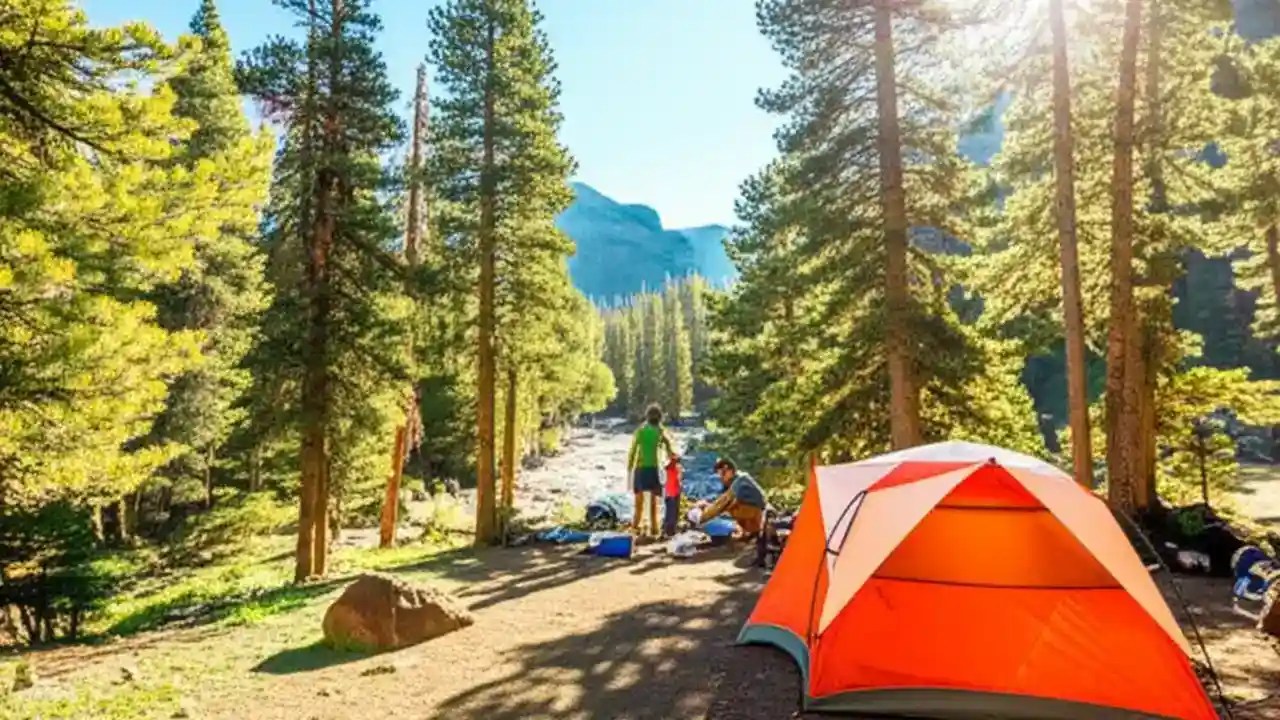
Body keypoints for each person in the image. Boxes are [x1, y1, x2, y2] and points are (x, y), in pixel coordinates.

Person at [700, 458, 770, 564]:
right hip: (754, 509)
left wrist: (704, 516)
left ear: (730, 470)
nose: (721, 477)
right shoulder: (735, 481)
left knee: (731, 507)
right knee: (731, 507)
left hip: (757, 511)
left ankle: (751, 533)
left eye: (723, 474)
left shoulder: (740, 480)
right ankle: (750, 535)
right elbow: (721, 498)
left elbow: (724, 501)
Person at [627, 404, 676, 538]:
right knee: (654, 501)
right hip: (654, 468)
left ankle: (635, 527)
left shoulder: (640, 431)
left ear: (647, 417)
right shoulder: (660, 431)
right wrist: (672, 458)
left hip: (640, 468)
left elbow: (632, 452)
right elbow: (669, 447)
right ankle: (654, 528)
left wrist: (629, 468)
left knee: (639, 502)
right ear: (660, 418)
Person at [662, 456, 683, 538]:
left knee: (669, 514)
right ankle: (670, 532)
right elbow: (679, 480)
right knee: (673, 515)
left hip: (669, 493)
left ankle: (667, 532)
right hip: (674, 494)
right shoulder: (677, 468)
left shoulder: (668, 469)